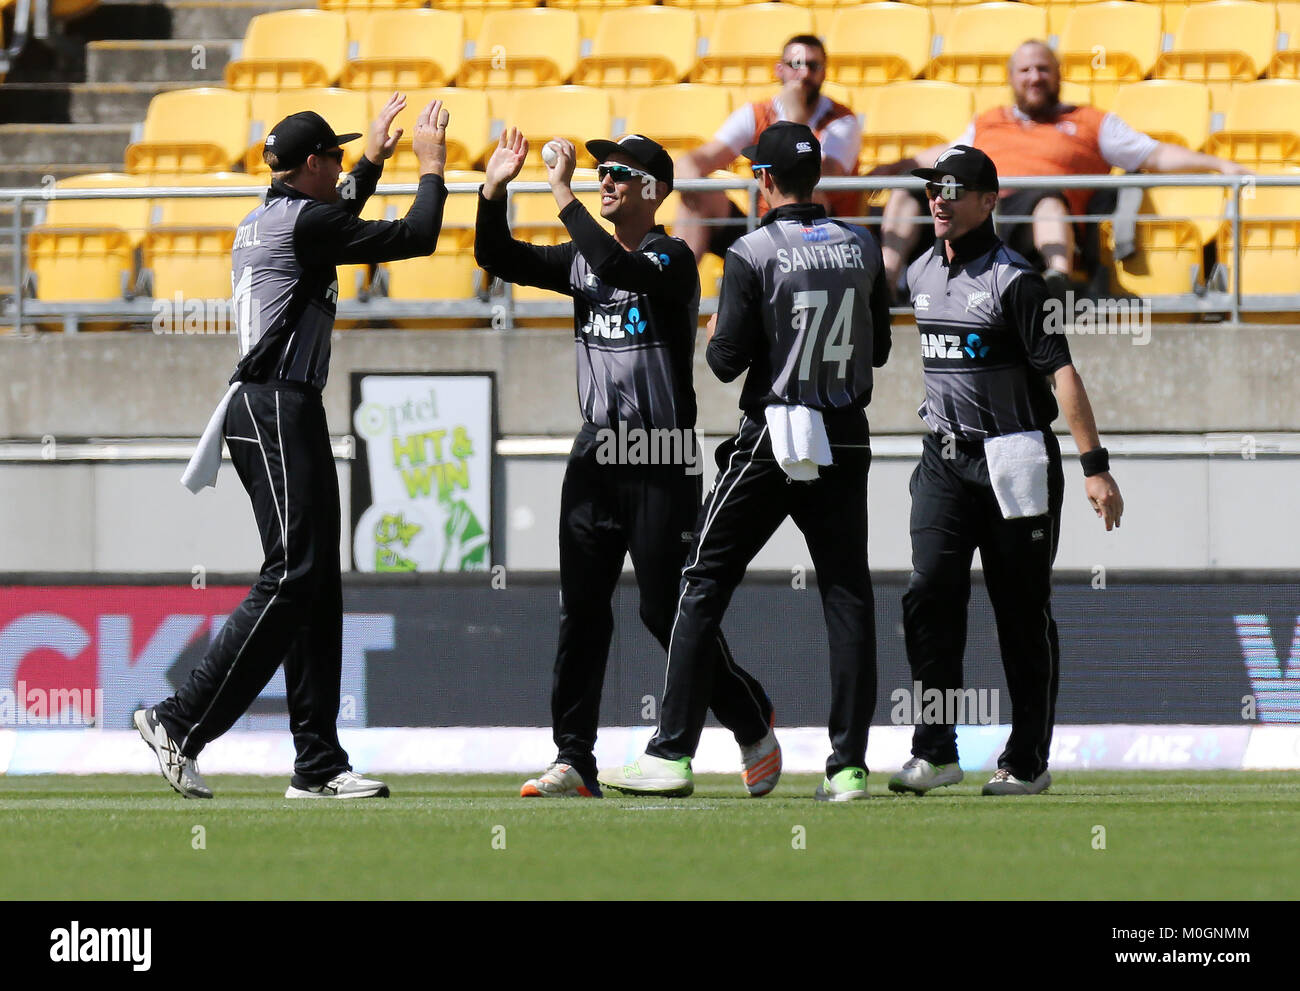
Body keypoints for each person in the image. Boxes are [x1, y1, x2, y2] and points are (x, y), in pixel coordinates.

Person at [136, 94, 452, 799]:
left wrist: (370, 158)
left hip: (272, 404)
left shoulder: (267, 216)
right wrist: (431, 169)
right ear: (310, 165)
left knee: (313, 584)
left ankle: (317, 762)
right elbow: (418, 236)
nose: (341, 165)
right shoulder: (305, 224)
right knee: (293, 574)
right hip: (277, 401)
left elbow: (334, 213)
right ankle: (179, 719)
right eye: (334, 156)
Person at [474, 129, 780, 799]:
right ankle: (574, 759)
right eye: (598, 172)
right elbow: (495, 254)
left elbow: (617, 270)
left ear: (655, 190)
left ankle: (750, 717)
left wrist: (558, 194)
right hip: (595, 452)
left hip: (661, 451)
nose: (603, 180)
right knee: (581, 609)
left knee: (662, 607)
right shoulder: (583, 258)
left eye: (618, 172)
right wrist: (493, 189)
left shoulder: (673, 259)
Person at [599, 122, 892, 801]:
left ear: (762, 178)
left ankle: (671, 752)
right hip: (846, 433)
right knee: (847, 596)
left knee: (699, 581)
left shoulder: (753, 250)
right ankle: (847, 765)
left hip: (775, 432)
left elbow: (725, 361)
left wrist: (723, 332)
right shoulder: (862, 244)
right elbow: (875, 352)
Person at [885, 145, 1123, 798]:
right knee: (929, 592)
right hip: (943, 457)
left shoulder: (1016, 281)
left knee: (1020, 612)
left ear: (990, 201)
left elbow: (1061, 370)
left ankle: (1027, 759)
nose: (937, 198)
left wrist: (1094, 466)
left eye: (952, 189)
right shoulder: (920, 271)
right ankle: (936, 750)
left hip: (1015, 458)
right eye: (932, 188)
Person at [878, 40, 1250, 294]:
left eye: (1043, 69)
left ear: (1058, 75)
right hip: (975, 214)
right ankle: (885, 286)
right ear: (1011, 78)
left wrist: (1219, 164)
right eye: (1025, 70)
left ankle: (1059, 282)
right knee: (910, 191)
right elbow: (942, 156)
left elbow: (1154, 155)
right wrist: (889, 169)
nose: (1034, 77)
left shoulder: (1090, 122)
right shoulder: (989, 121)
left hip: (1031, 217)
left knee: (1047, 199)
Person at [675, 34, 863, 263]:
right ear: (779, 70)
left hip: (823, 230)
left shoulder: (841, 120)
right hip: (763, 227)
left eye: (813, 66)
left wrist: (795, 116)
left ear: (824, 72)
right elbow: (703, 157)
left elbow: (819, 177)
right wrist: (688, 171)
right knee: (697, 192)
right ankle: (677, 285)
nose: (803, 74)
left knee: (808, 192)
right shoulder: (757, 113)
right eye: (795, 65)